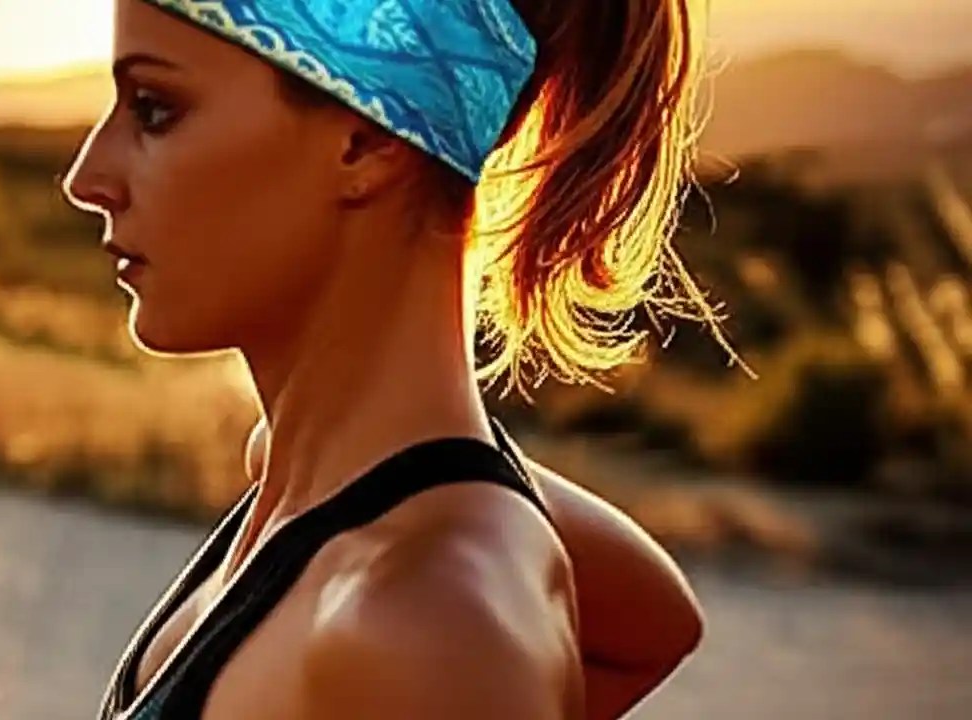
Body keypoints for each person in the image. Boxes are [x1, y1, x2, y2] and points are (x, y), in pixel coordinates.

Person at [63, 0, 714, 717]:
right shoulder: (317, 479)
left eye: (155, 109)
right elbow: (654, 624)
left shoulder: (426, 630)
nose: (88, 176)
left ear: (366, 143)